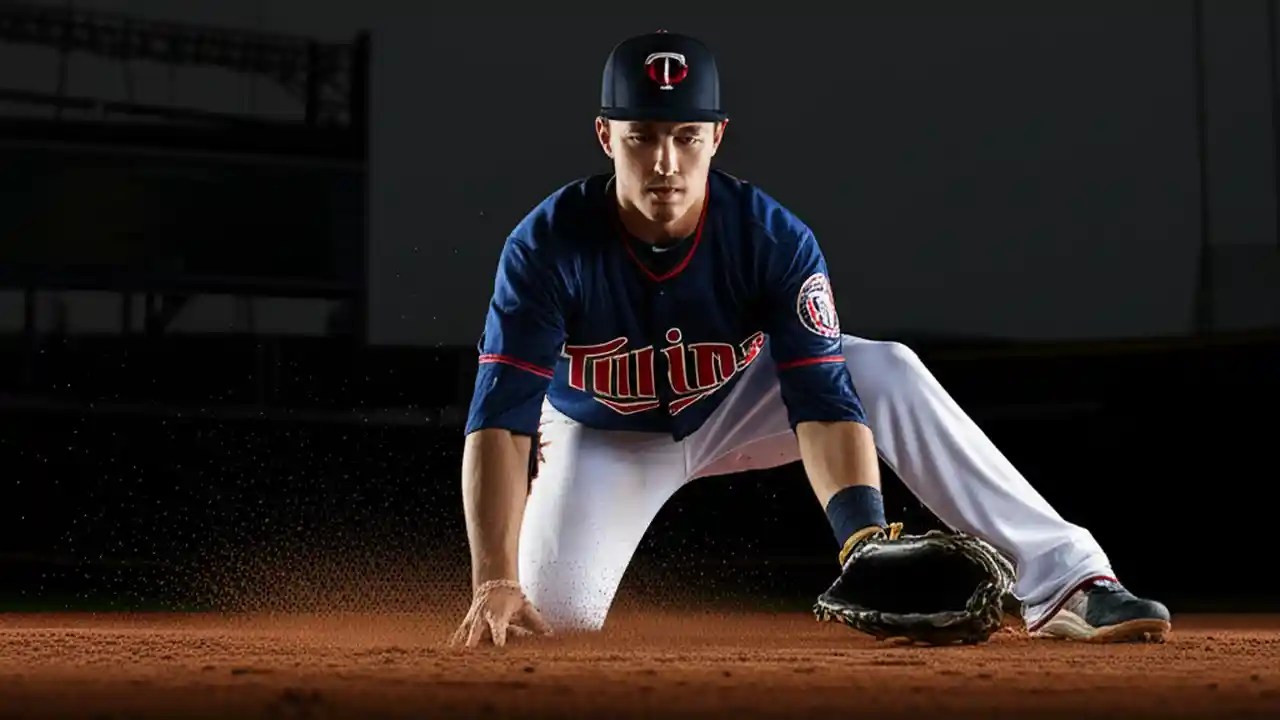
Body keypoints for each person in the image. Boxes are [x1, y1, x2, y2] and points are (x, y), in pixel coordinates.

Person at [449, 30, 1170, 649]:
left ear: (716, 137)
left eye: (684, 137)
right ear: (607, 136)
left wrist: (861, 538)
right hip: (602, 435)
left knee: (885, 370)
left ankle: (1071, 578)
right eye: (642, 137)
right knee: (551, 624)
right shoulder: (546, 245)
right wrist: (496, 579)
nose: (664, 161)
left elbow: (823, 396)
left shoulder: (769, 237)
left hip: (740, 402)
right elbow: (500, 419)